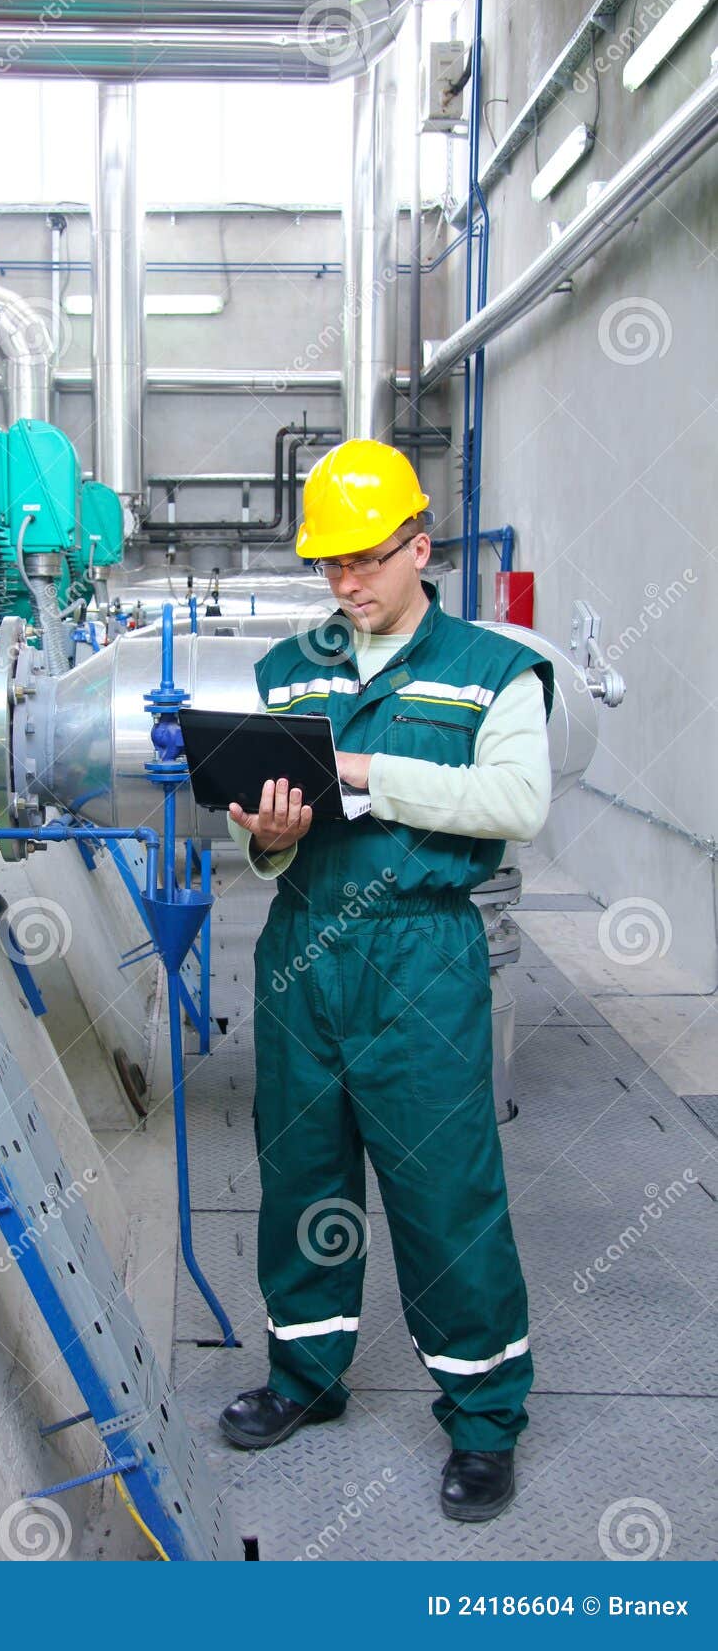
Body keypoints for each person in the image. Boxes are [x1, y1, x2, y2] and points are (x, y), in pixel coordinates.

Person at [217, 438, 554, 1523]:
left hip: (420, 955)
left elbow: (512, 804)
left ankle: (484, 1416)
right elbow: (269, 845)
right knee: (301, 1175)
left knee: (443, 1188)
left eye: (362, 559)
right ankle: (305, 1376)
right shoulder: (288, 668)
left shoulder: (493, 668)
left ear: (420, 545)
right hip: (303, 950)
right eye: (326, 565)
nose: (343, 582)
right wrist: (263, 837)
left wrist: (365, 769)